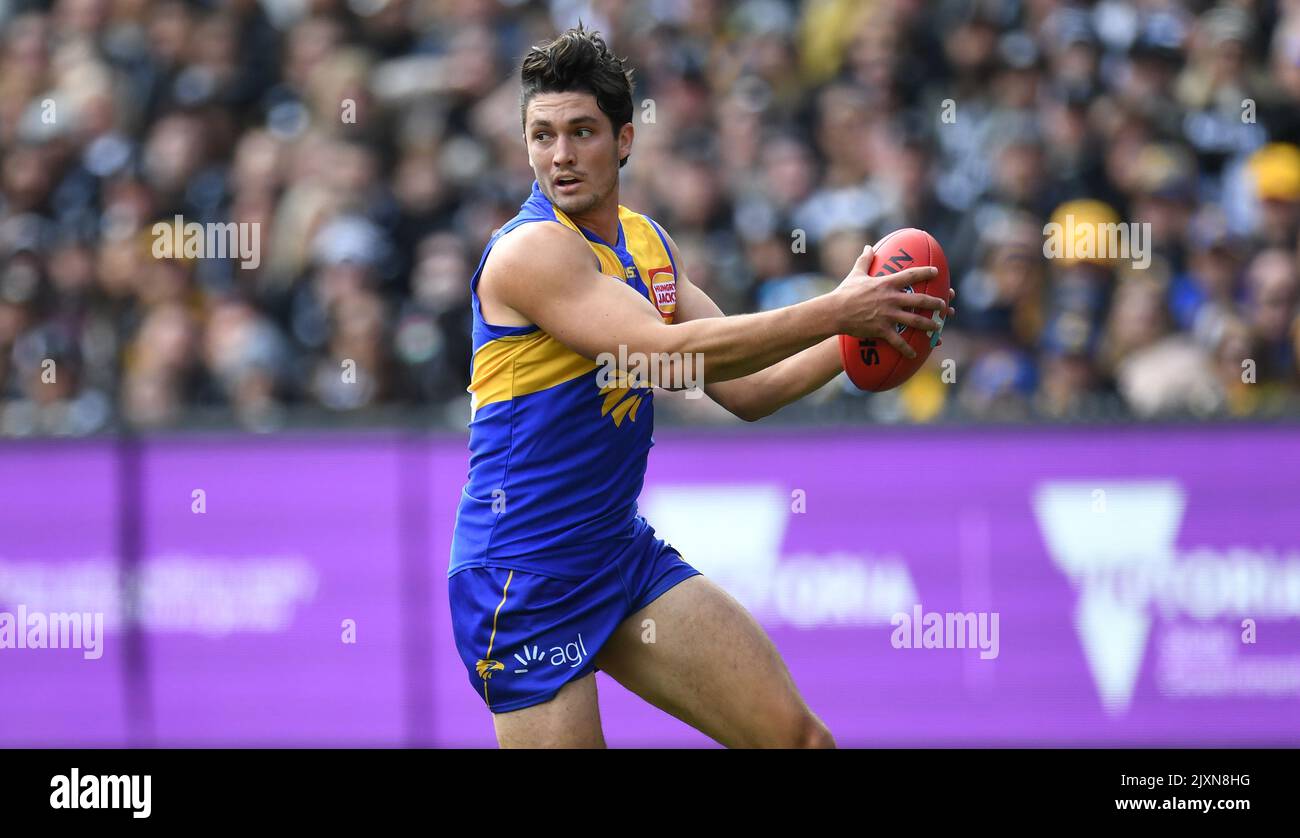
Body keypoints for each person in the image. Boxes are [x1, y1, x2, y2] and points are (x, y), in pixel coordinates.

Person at [448, 25, 955, 748]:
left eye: (582, 132)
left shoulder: (647, 243)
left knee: (800, 741)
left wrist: (868, 338)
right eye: (542, 135)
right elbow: (665, 352)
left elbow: (746, 389)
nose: (559, 156)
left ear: (625, 139)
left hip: (617, 555)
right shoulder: (530, 254)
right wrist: (840, 309)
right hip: (522, 581)